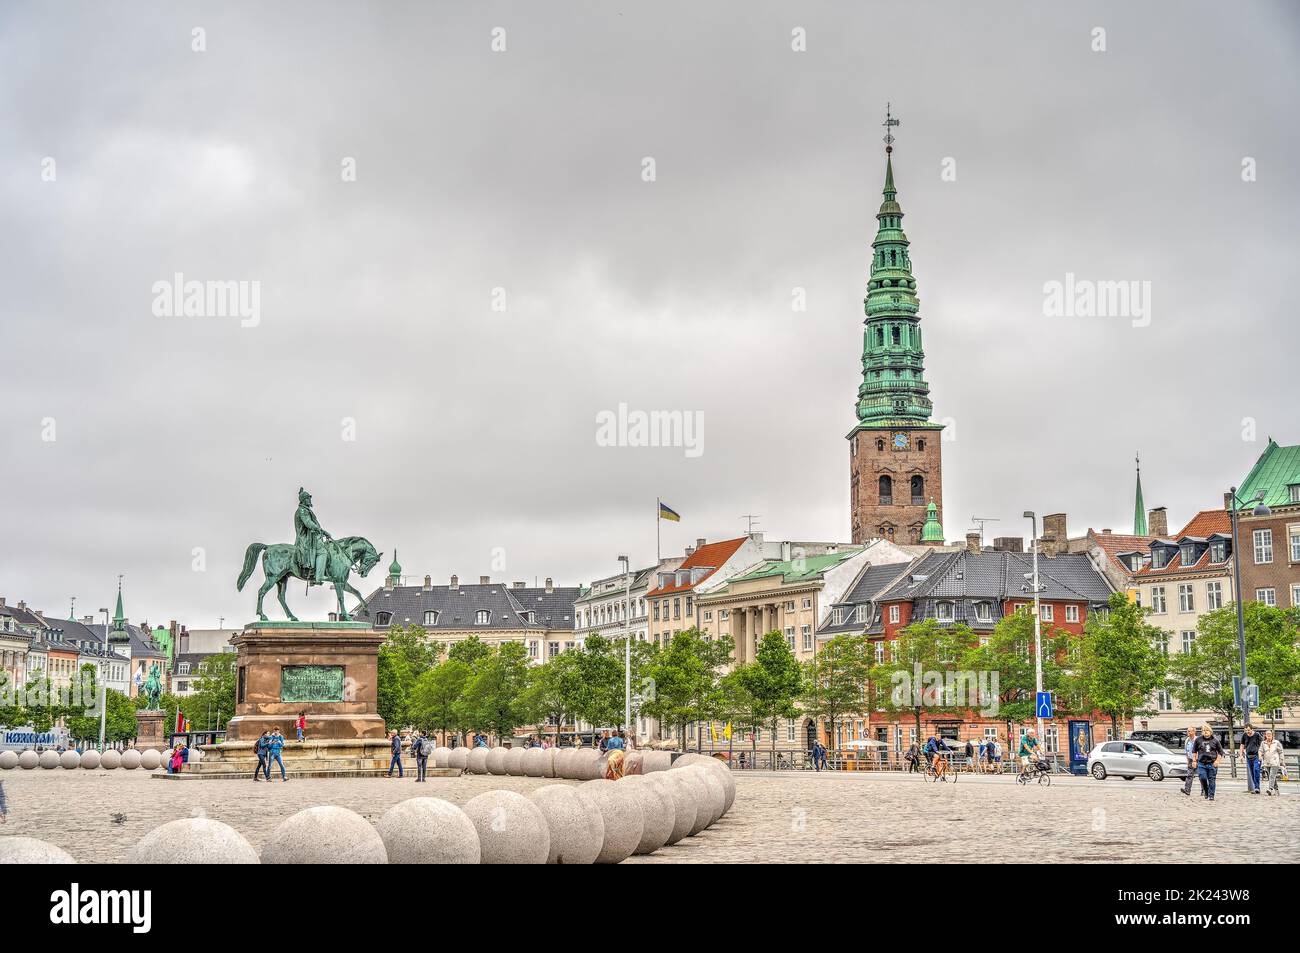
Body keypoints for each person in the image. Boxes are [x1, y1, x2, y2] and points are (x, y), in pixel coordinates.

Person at [1191, 723, 1224, 801]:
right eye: (1203, 730)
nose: (1205, 732)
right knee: (1202, 778)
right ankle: (1206, 791)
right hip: (1201, 763)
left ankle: (1211, 795)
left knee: (1212, 779)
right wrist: (1194, 761)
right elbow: (1194, 751)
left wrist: (1217, 761)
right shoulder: (1198, 740)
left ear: (1210, 731)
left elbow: (1221, 752)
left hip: (1212, 763)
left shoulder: (1215, 740)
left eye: (1206, 730)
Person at [1239, 724, 1263, 794]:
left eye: (1249, 730)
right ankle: (1256, 787)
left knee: (1256, 770)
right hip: (1248, 756)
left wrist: (1261, 755)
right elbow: (1242, 745)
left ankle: (1257, 787)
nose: (1247, 732)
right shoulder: (1244, 735)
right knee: (1252, 772)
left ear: (1252, 729)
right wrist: (1241, 755)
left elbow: (1262, 745)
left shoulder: (1257, 735)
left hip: (1256, 755)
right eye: (1246, 730)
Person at [1260, 729, 1284, 796]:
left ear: (1272, 735)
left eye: (1270, 734)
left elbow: (1281, 752)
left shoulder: (1276, 742)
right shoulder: (1263, 743)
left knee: (1271, 775)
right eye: (1267, 734)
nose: (1268, 735)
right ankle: (1276, 790)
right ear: (1265, 735)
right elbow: (1260, 750)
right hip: (1267, 762)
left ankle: (1270, 789)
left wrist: (1281, 760)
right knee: (1271, 777)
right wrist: (1260, 756)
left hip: (1275, 762)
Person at [1180, 726, 1197, 797]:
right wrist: (1187, 761)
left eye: (1190, 731)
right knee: (1189, 775)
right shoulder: (1187, 740)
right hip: (1190, 760)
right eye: (1187, 731)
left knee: (1202, 775)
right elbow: (1186, 751)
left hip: (1198, 759)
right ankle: (1187, 790)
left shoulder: (1197, 740)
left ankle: (1204, 790)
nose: (1188, 732)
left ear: (1194, 732)